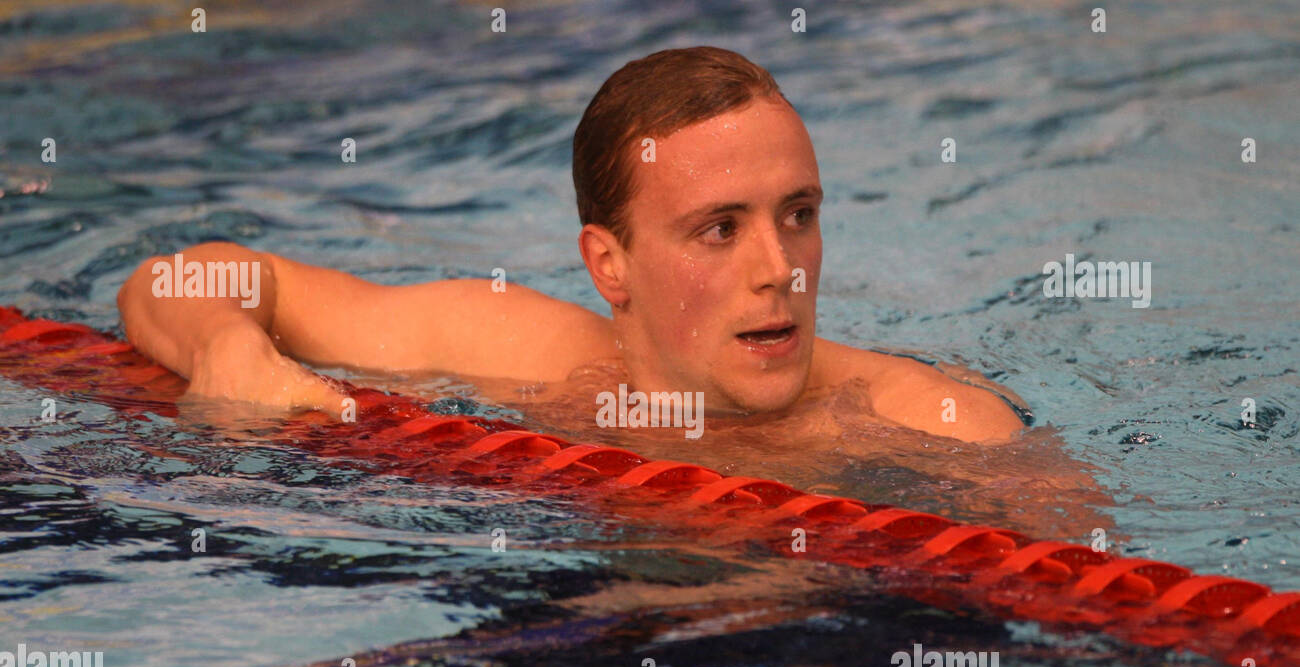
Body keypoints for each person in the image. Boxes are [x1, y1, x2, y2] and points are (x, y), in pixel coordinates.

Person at [116, 46, 1027, 445]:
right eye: (720, 228)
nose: (778, 267)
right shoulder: (520, 353)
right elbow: (180, 276)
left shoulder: (932, 426)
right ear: (608, 265)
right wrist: (230, 348)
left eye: (798, 214)